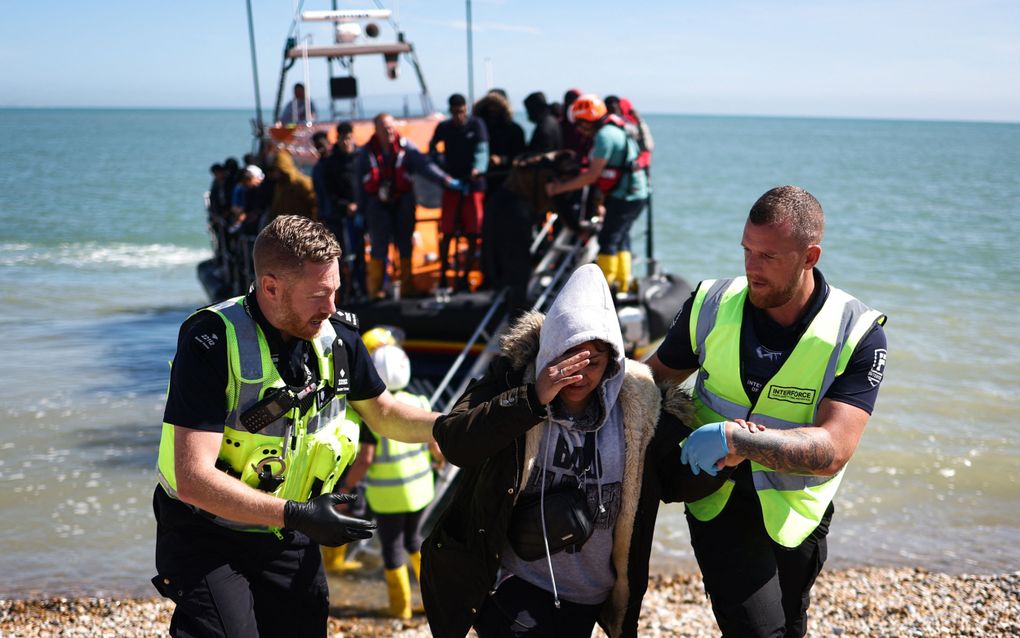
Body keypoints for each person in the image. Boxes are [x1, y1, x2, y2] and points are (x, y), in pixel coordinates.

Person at [151, 215, 441, 637]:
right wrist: (298, 514)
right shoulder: (209, 340)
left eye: (336, 291)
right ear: (271, 287)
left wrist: (451, 426)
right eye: (320, 295)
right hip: (207, 532)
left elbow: (384, 414)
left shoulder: (338, 337)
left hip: (289, 530)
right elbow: (192, 478)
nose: (332, 307)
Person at [421, 264, 729, 638]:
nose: (579, 376)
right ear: (548, 349)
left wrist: (723, 459)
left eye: (592, 364)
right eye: (566, 362)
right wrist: (532, 399)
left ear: (612, 361)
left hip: (590, 594)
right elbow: (455, 442)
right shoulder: (512, 380)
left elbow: (675, 481)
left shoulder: (640, 406)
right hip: (516, 582)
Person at [646, 186, 889, 637]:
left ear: (809, 256)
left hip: (799, 510)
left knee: (791, 623)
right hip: (715, 496)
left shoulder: (856, 332)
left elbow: (835, 449)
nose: (752, 268)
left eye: (769, 257)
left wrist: (737, 440)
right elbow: (649, 383)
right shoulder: (711, 303)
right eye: (747, 251)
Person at [336, 341, 440, 619]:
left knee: (392, 547)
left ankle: (401, 608)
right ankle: (434, 602)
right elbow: (435, 444)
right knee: (414, 541)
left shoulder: (373, 412)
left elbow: (365, 459)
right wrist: (439, 462)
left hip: (388, 497)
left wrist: (346, 488)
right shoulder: (420, 402)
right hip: (420, 490)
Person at [546, 94, 649, 296]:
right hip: (636, 193)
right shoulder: (615, 129)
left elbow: (592, 175)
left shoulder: (604, 136)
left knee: (608, 240)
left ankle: (604, 291)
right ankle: (623, 283)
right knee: (621, 238)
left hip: (625, 196)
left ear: (588, 120)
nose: (578, 129)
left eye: (580, 124)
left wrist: (559, 188)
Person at [356, 112, 461, 299]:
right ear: (376, 130)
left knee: (405, 244)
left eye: (391, 127)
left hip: (403, 202)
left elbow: (425, 166)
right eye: (384, 128)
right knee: (379, 245)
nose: (389, 131)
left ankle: (407, 286)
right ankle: (375, 291)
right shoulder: (366, 153)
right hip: (377, 204)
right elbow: (358, 183)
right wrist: (360, 210)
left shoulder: (406, 147)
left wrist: (445, 180)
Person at [429, 93, 489, 290]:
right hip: (452, 185)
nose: (459, 116)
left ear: (466, 110)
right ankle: (444, 275)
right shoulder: (444, 127)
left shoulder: (476, 125)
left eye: (462, 112)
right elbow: (432, 148)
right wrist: (441, 166)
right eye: (455, 112)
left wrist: (477, 169)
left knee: (473, 232)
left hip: (473, 186)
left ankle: (465, 277)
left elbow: (482, 150)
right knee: (447, 231)